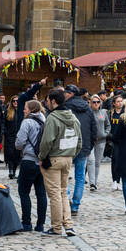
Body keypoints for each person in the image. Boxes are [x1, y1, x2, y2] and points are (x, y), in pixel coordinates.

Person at [38, 88, 82, 236]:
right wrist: (71, 155)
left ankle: (56, 227)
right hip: (68, 158)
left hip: (53, 159)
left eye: (48, 101)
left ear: (54, 101)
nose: (47, 103)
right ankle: (68, 225)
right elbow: (79, 142)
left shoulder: (53, 118)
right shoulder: (73, 118)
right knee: (63, 193)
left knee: (55, 195)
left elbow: (46, 142)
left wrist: (42, 157)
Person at [63, 86, 98, 215]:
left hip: (67, 146)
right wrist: (90, 147)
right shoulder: (87, 108)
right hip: (83, 147)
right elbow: (93, 130)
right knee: (80, 177)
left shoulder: (65, 107)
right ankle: (75, 205)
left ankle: (66, 199)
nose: (64, 95)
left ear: (71, 94)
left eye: (66, 93)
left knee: (64, 175)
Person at [14, 100, 48, 232]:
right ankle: (40, 224)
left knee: (23, 192)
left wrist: (20, 146)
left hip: (29, 160)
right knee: (41, 193)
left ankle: (27, 223)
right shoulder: (45, 120)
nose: (24, 110)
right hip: (42, 162)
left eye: (26, 108)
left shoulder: (27, 122)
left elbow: (19, 143)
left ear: (31, 109)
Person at [88, 93, 109, 190]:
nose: (96, 104)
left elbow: (108, 125)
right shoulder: (88, 113)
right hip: (90, 142)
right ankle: (92, 183)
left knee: (97, 162)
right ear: (90, 103)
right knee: (91, 161)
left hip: (101, 141)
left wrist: (106, 133)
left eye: (98, 102)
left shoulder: (104, 113)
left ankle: (95, 182)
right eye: (94, 102)